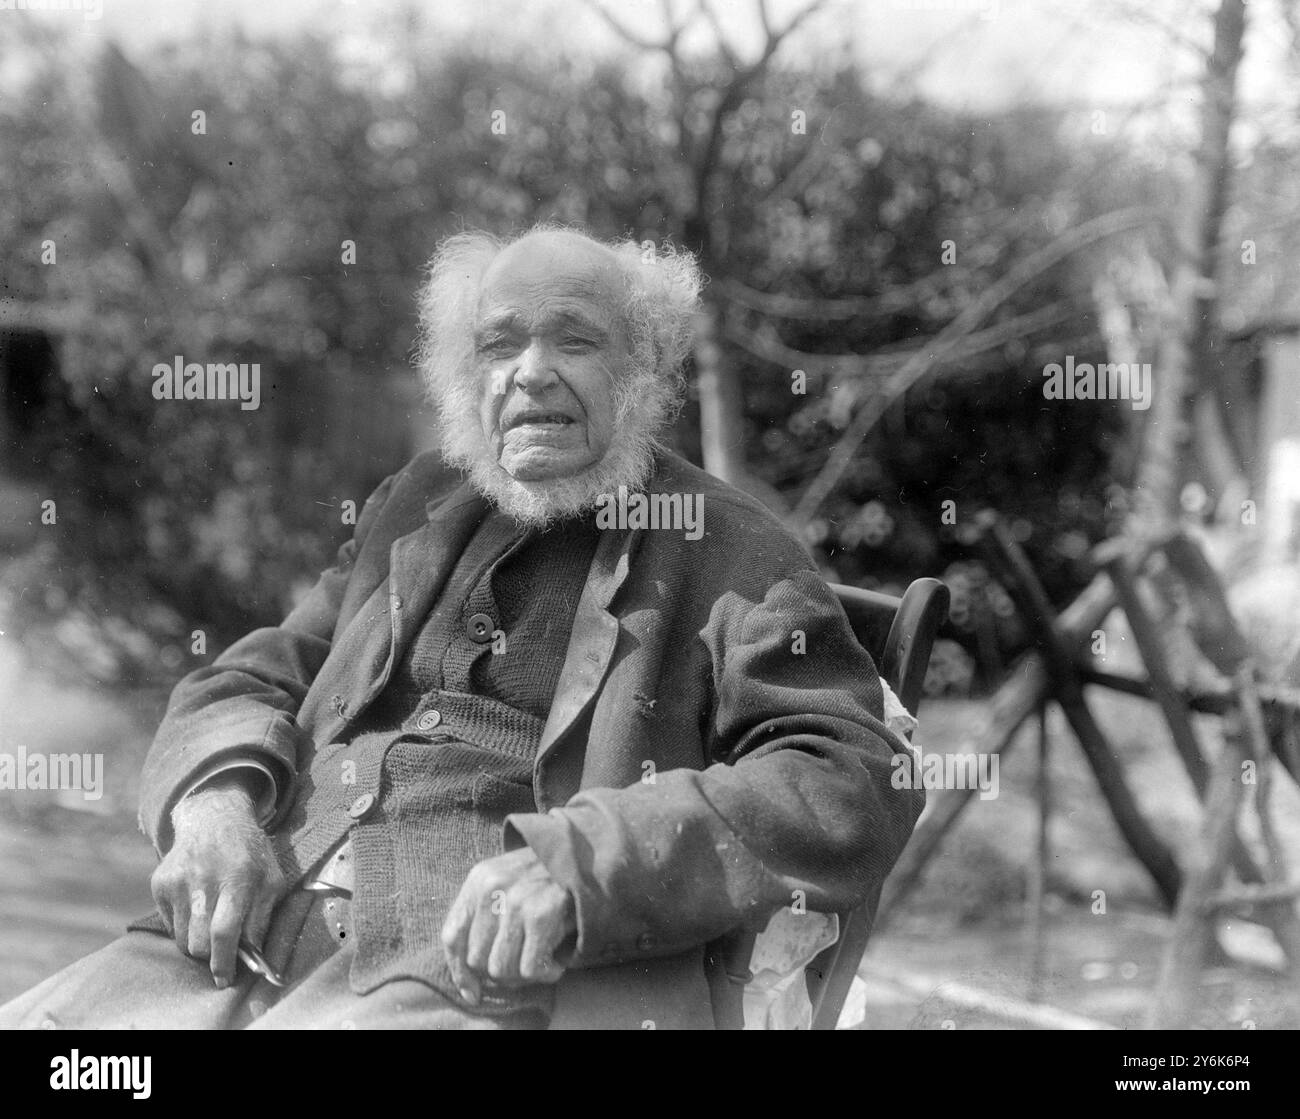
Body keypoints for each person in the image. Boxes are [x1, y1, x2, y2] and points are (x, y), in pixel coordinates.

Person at [0, 226, 923, 1030]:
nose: (530, 372)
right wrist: (212, 800)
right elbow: (263, 670)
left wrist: (579, 866)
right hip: (241, 934)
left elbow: (847, 776)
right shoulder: (422, 501)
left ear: (646, 371)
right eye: (499, 344)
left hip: (498, 975)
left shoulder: (731, 546)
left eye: (575, 340)